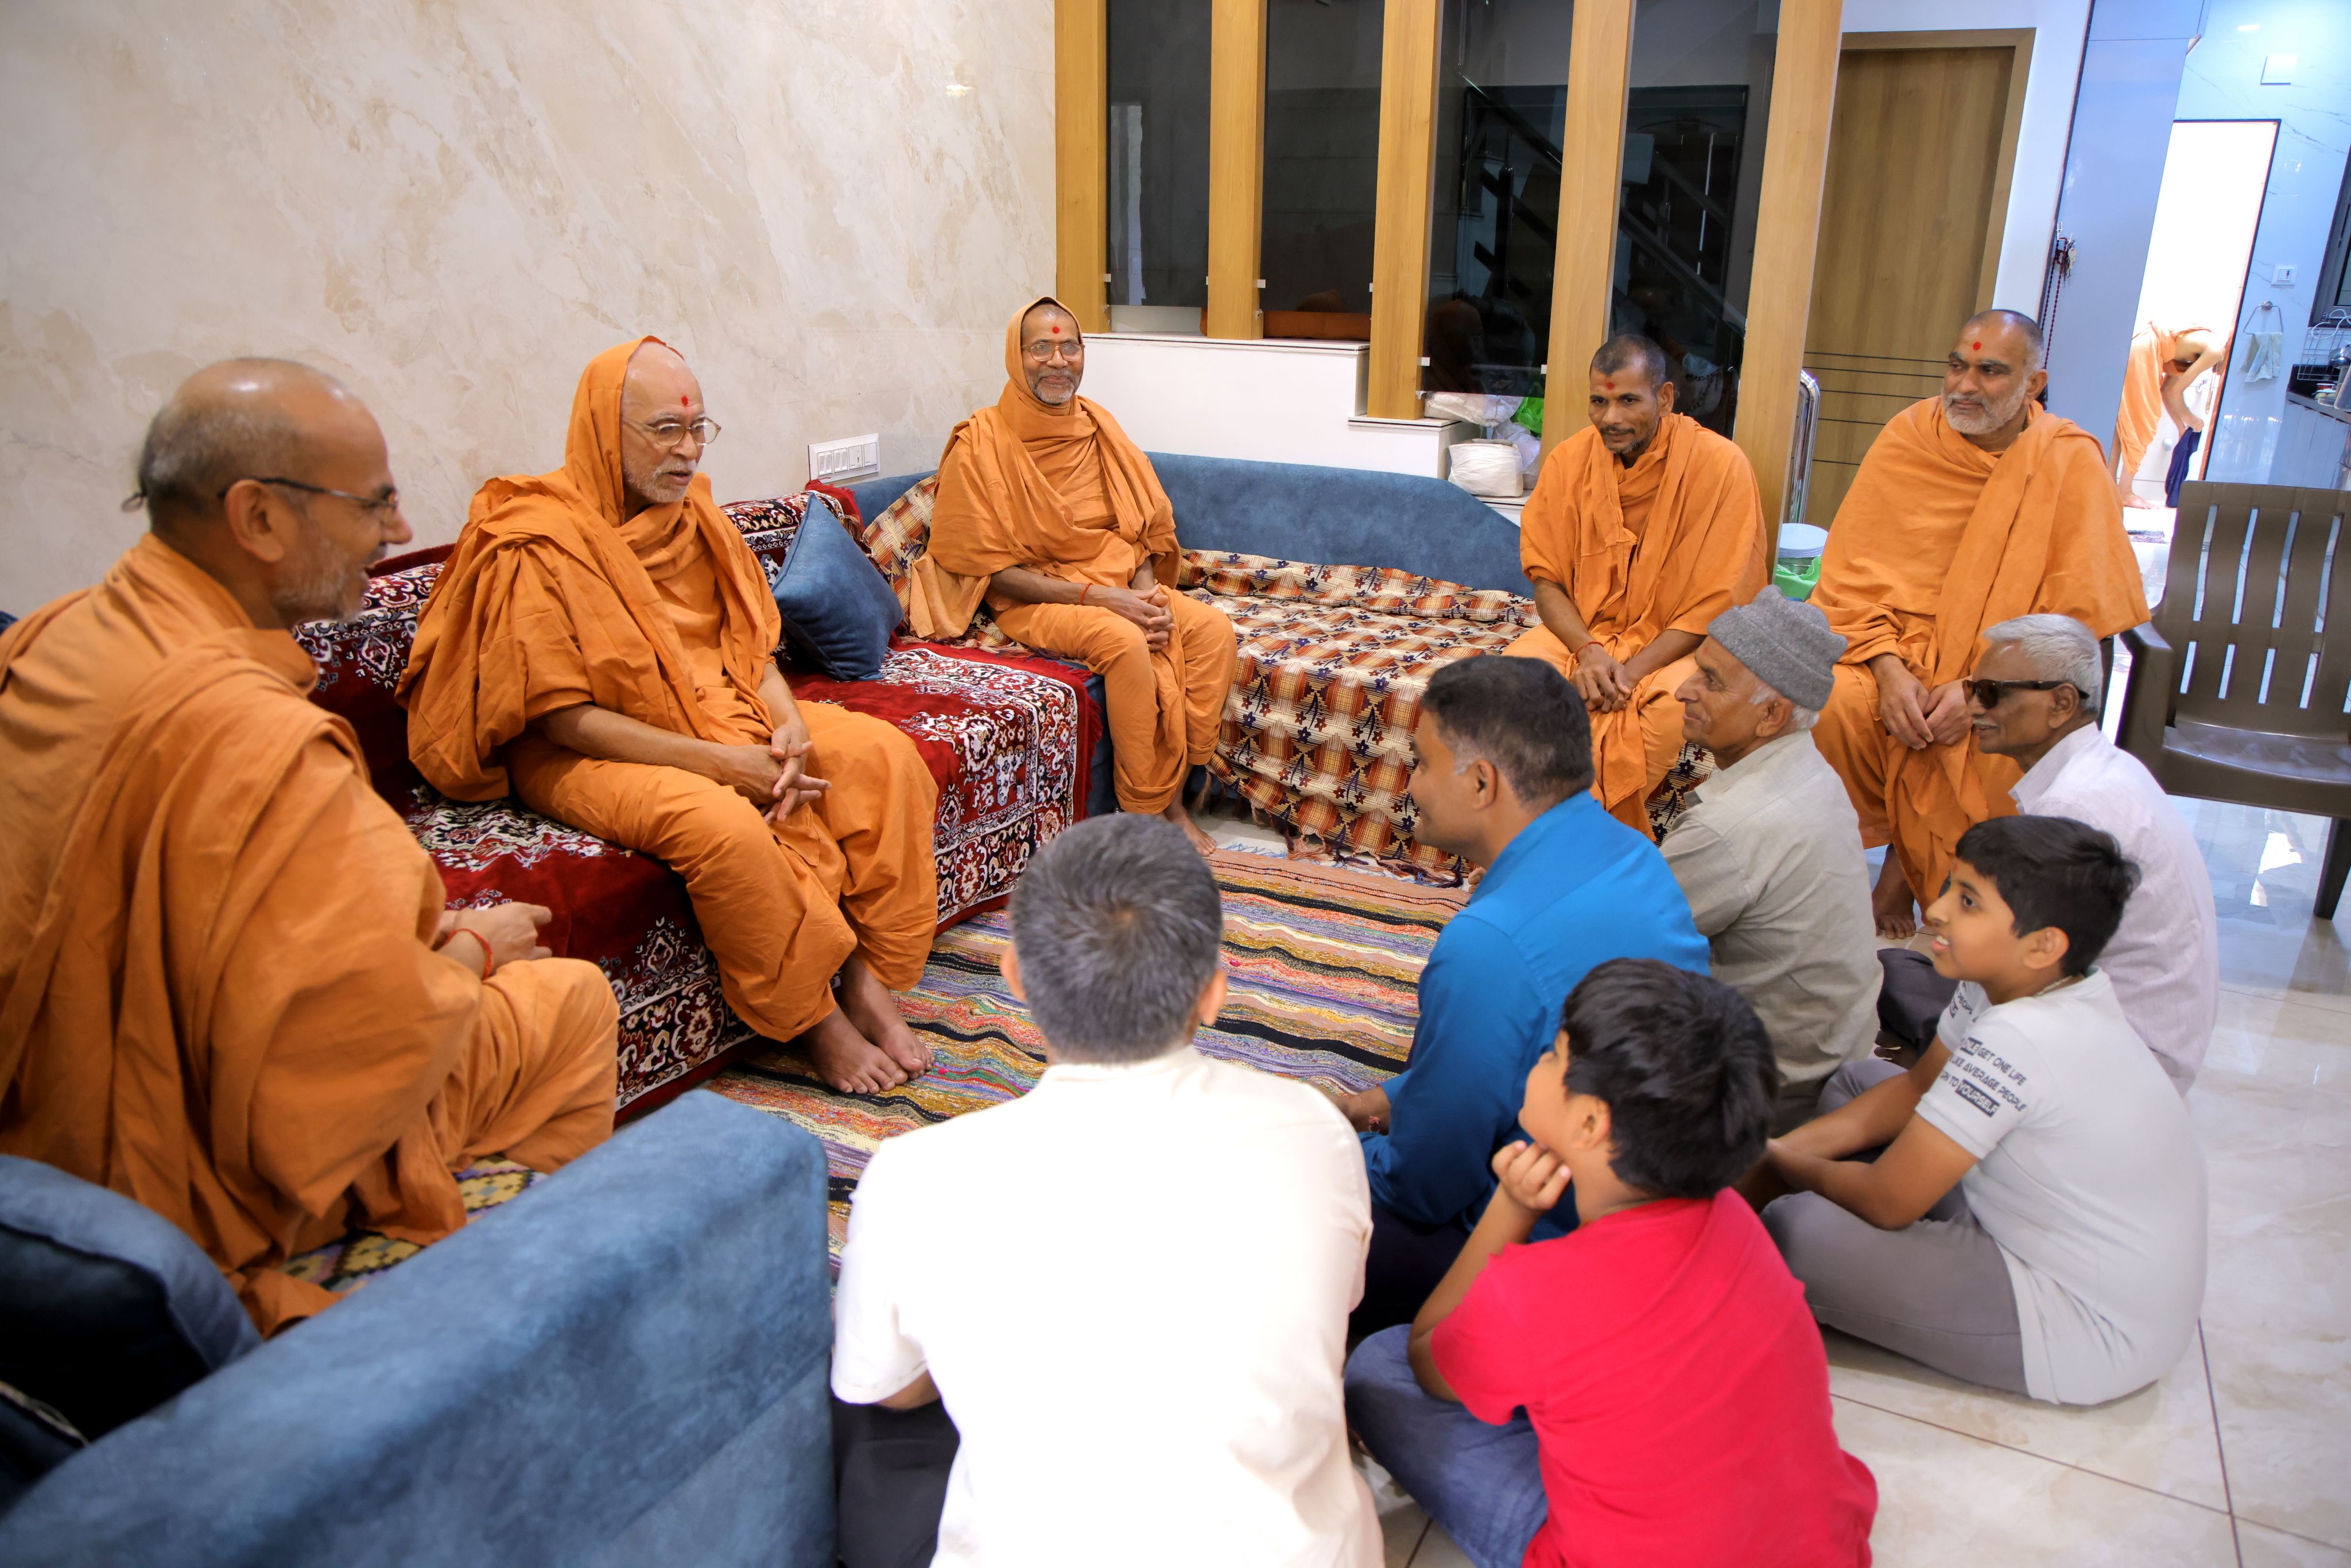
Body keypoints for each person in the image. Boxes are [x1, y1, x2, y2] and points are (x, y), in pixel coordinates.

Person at [0, 360, 618, 1335]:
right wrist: (476, 949)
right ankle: (493, 1324)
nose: (400, 533)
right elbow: (350, 1049)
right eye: (374, 503)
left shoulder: (47, 639)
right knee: (571, 1000)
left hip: (35, 1150)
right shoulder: (252, 737)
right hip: (178, 1177)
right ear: (258, 519)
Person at [829, 816, 1379, 1568]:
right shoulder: (1317, 1131)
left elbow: (891, 1393)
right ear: (1214, 992)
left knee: (864, 1402)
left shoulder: (913, 1178)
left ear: (1016, 978)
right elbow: (1331, 1313)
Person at [400, 337, 940, 1096]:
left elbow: (750, 650)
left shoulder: (696, 517)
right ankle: (813, 1016)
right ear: (603, 429)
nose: (687, 452)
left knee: (880, 755)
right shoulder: (537, 541)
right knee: (725, 826)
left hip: (720, 710)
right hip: (587, 749)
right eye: (665, 431)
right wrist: (730, 767)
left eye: (698, 430)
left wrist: (786, 722)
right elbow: (564, 721)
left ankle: (863, 974)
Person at [1345, 959, 1877, 1568]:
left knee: (1379, 1366)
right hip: (1820, 1546)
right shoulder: (1736, 1217)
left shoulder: (1538, 1291)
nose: (1537, 1063)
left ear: (1591, 1121)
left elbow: (1425, 1360)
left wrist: (1510, 1208)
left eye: (1551, 1055)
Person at [1762, 816, 2208, 1404]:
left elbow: (1888, 1201)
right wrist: (1790, 1155)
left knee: (1798, 1229)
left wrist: (1777, 1157)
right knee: (1859, 1081)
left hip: (2081, 1327)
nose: (1937, 910)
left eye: (1968, 901)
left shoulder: (2024, 1036)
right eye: (1950, 886)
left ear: (2043, 943)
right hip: (2017, 1220)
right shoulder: (2021, 979)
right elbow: (1920, 1084)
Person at [1333, 657, 1708, 1337]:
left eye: (1421, 761)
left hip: (1551, 1251)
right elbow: (1521, 1040)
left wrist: (1326, 1148)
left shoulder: (1486, 945)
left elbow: (1424, 1184)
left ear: (1480, 782)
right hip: (1661, 1216)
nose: (1410, 783)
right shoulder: (1631, 852)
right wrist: (1378, 1101)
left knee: (1287, 1204)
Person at [1809, 309, 2150, 938]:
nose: (1964, 386)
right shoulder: (1909, 435)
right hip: (1889, 651)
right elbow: (1850, 578)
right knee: (1831, 707)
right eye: (1956, 365)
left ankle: (1914, 880)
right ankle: (1832, 882)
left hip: (2004, 669)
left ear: (2034, 382)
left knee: (1997, 740)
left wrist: (1975, 690)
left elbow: (2073, 618)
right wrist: (1886, 671)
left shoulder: (2067, 462)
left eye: (1990, 371)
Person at [905, 296, 1236, 855]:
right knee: (1126, 643)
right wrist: (1106, 603)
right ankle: (1149, 815)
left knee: (1210, 631)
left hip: (1115, 583)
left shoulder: (1098, 426)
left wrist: (1146, 595)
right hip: (1040, 598)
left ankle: (1181, 783)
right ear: (1016, 355)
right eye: (1041, 347)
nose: (1057, 360)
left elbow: (1141, 526)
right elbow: (986, 568)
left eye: (1069, 346)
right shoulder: (980, 443)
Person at [1503, 335, 1767, 835]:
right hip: (1583, 632)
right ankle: (1527, 842)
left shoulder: (1720, 467)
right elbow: (1547, 580)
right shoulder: (1568, 462)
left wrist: (1627, 674)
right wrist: (1588, 652)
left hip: (1680, 643)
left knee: (1669, 707)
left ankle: (1572, 846)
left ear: (1664, 399)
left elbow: (1715, 607)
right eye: (1599, 402)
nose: (1610, 418)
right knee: (1514, 686)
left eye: (1629, 401)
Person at [1943, 614, 2214, 1091]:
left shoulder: (2074, 805)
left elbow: (2026, 962)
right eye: (1972, 689)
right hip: (2133, 1030)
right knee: (1913, 979)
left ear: (2062, 702)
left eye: (1992, 693)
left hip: (2122, 1061)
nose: (1973, 708)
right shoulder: (2104, 769)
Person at [1661, 589, 1880, 1132]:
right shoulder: (1808, 767)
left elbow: (1617, 938)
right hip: (1839, 1052)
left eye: (1711, 682)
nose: (1684, 692)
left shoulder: (1731, 825)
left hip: (1778, 1089)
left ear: (1771, 716)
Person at [2113, 321, 2225, 509]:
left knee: (2123, 424)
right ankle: (2125, 492)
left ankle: (2111, 489)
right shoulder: (2215, 352)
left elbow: (2167, 391)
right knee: (2143, 424)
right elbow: (2175, 394)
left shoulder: (2191, 345)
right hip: (2144, 351)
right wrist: (2191, 419)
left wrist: (2181, 428)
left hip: (2140, 345)